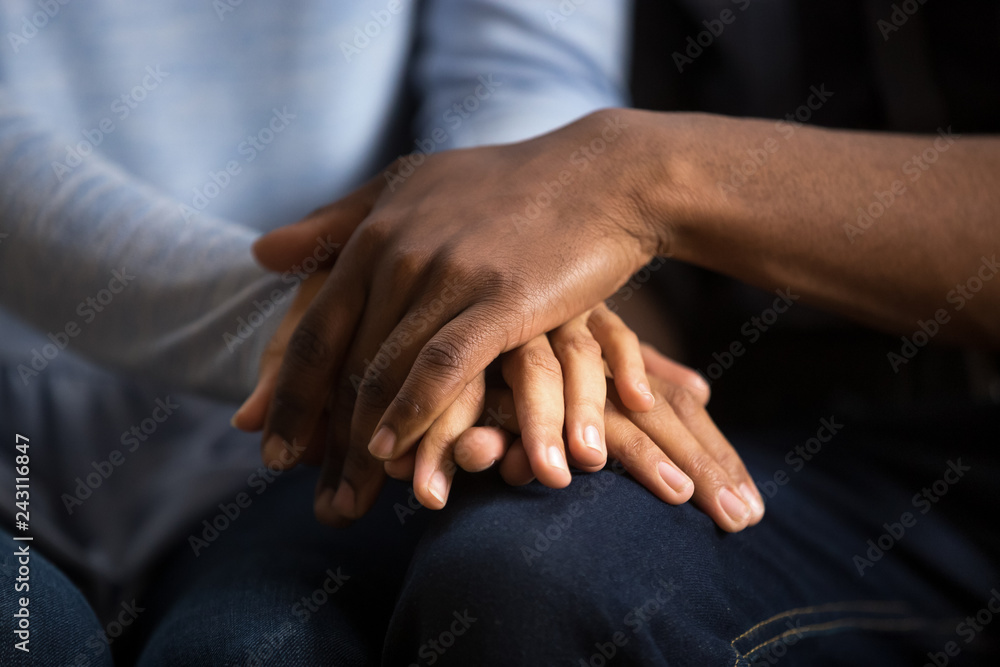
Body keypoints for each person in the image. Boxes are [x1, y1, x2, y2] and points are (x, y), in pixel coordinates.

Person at [248, 1, 1000, 664]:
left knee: (533, 582)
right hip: (737, 415)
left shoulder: (631, 166)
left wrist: (646, 174)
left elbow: (578, 178)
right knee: (494, 578)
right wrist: (538, 351)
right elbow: (569, 214)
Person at [1, 2, 738, 665]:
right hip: (71, 437)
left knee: (251, 650)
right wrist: (367, 332)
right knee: (34, 637)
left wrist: (507, 292)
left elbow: (527, 69)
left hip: (291, 459)